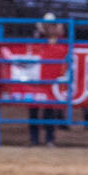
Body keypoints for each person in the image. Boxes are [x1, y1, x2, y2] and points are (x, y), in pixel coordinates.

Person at [28, 13, 64, 147]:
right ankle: (34, 139)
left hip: (51, 80)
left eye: (52, 26)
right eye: (47, 26)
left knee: (49, 111)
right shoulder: (37, 40)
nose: (50, 28)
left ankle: (49, 138)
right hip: (37, 80)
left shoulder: (61, 41)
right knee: (34, 110)